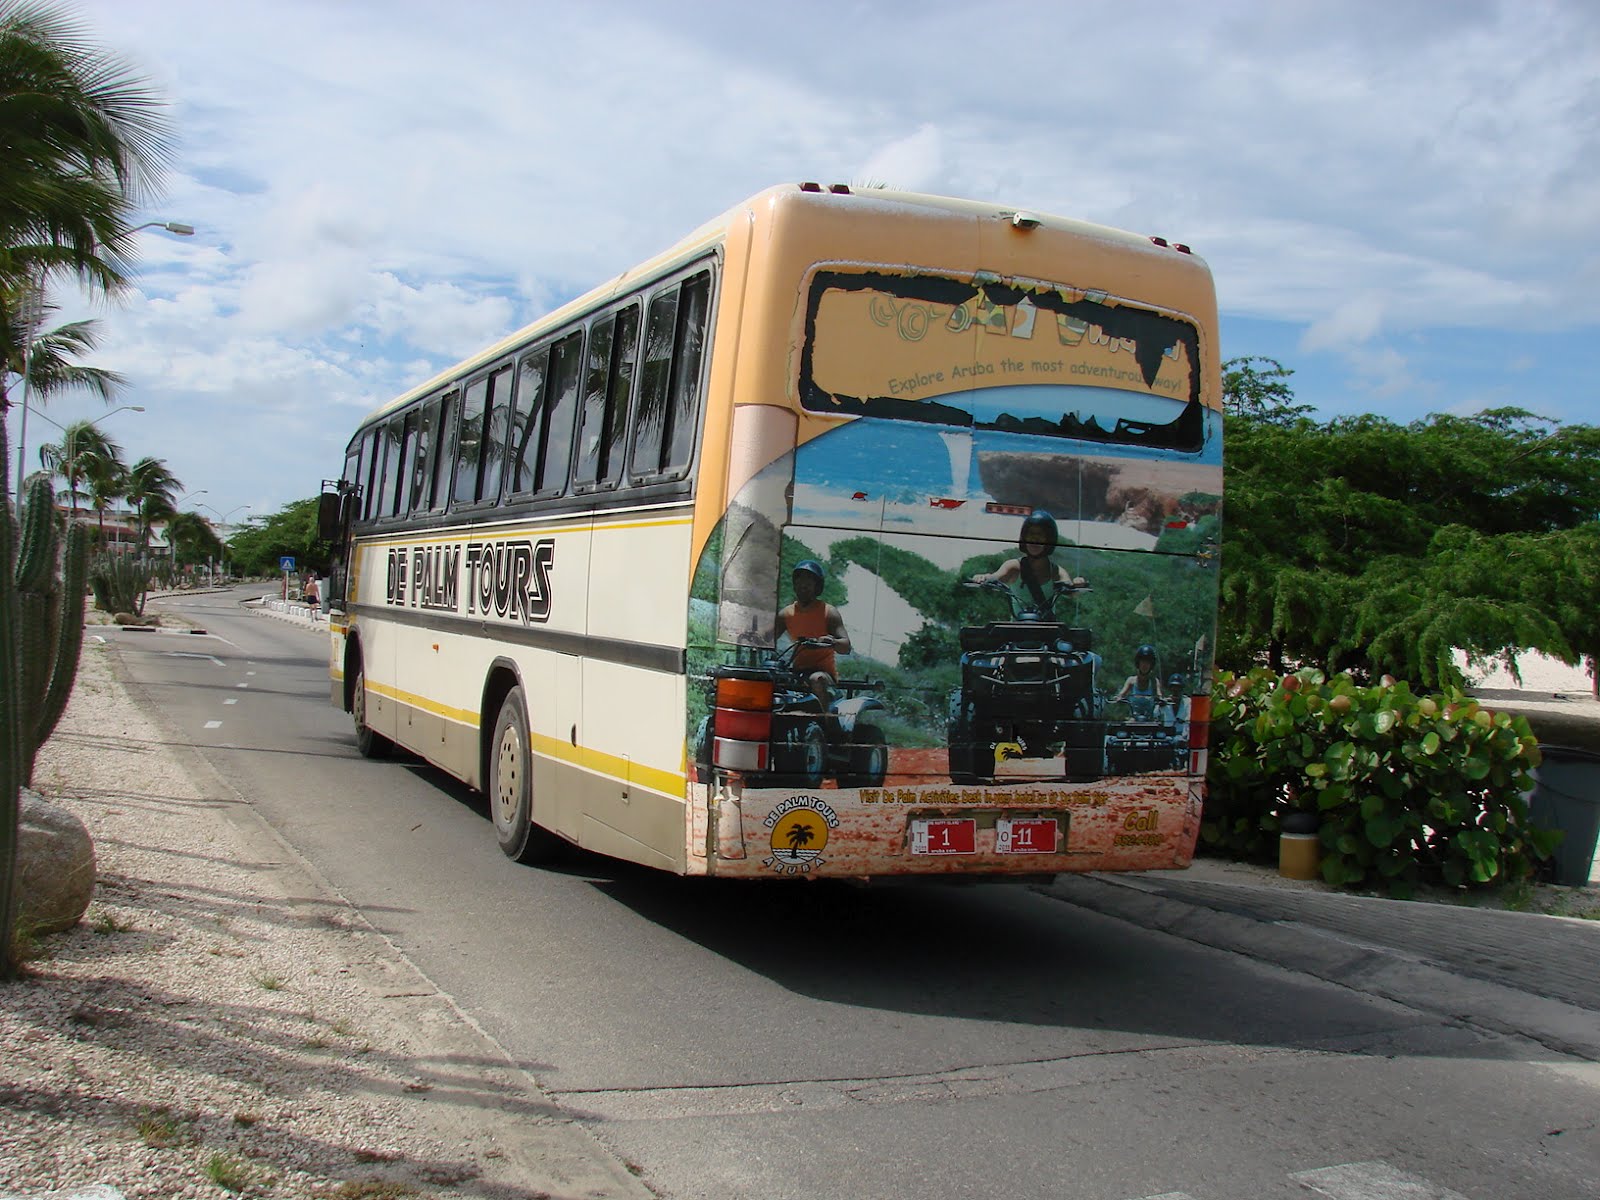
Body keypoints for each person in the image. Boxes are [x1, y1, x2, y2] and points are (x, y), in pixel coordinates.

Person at [969, 509, 1087, 611]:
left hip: (1048, 632)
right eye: (1031, 534)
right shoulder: (1013, 566)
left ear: (1049, 539)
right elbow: (997, 577)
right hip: (1017, 631)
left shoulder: (1056, 571)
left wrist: (1078, 584)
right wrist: (983, 578)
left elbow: (1070, 590)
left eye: (1040, 535)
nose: (1034, 539)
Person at [778, 559, 851, 708]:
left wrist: (831, 642)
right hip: (796, 672)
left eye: (808, 585)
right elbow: (766, 639)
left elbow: (846, 646)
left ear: (817, 587)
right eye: (799, 584)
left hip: (823, 673)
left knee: (816, 679)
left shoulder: (829, 612)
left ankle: (825, 723)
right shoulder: (786, 614)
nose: (802, 588)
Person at [1111, 644, 1165, 717]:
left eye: (1147, 662)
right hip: (1134, 717)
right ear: (1138, 663)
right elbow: (1122, 694)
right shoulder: (1131, 680)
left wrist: (1162, 700)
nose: (1144, 665)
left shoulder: (1154, 682)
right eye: (1142, 661)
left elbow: (1159, 696)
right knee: (1123, 727)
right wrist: (1118, 698)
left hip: (1150, 719)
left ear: (1151, 664)